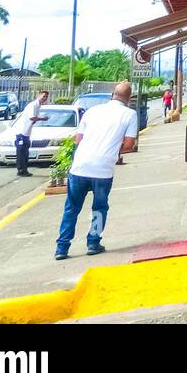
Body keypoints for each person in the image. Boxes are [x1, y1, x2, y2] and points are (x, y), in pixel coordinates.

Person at [55, 81, 138, 260]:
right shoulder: (130, 114)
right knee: (99, 208)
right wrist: (112, 151)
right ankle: (93, 243)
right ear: (129, 98)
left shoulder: (93, 111)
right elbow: (130, 144)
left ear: (112, 94)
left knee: (71, 208)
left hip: (80, 166)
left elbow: (78, 139)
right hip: (103, 170)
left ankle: (62, 248)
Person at [8, 90, 50, 177]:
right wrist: (43, 119)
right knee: (21, 152)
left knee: (25, 152)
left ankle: (24, 169)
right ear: (39, 95)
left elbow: (33, 119)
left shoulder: (38, 106)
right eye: (43, 96)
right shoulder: (33, 105)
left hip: (26, 133)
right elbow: (32, 118)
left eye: (46, 97)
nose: (44, 98)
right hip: (21, 132)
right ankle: (21, 170)